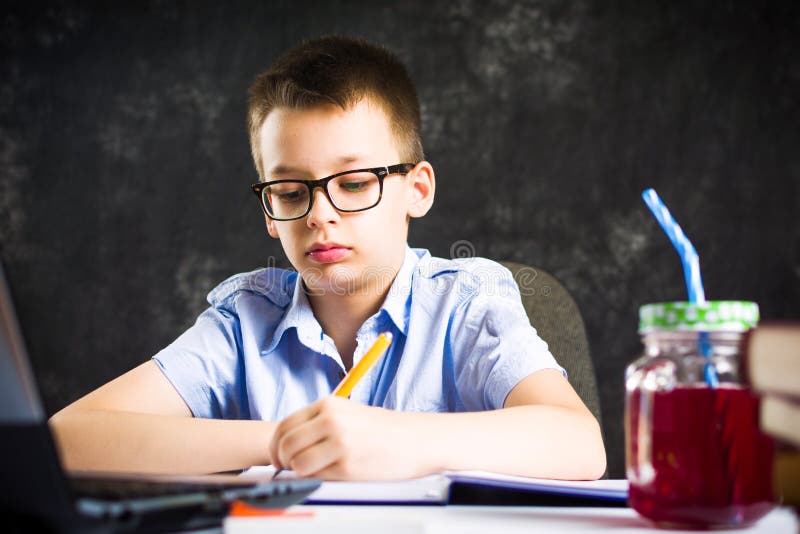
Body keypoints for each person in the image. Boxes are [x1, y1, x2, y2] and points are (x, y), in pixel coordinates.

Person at [49, 36, 606, 481]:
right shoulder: (245, 319)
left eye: (356, 182)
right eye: (291, 193)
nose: (320, 216)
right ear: (270, 211)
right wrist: (285, 441)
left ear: (417, 189)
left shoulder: (467, 300)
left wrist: (393, 440)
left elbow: (579, 444)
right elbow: (68, 438)